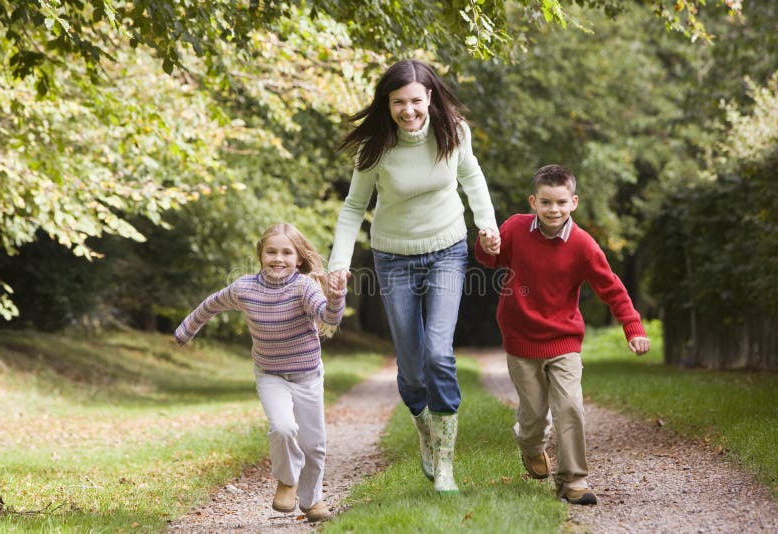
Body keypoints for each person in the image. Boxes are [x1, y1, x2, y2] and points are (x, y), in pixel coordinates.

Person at [328, 59, 500, 494]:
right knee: (410, 368)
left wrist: (487, 223)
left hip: (447, 249)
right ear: (387, 104)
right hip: (393, 256)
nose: (408, 111)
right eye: (398, 102)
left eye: (416, 101)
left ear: (430, 98)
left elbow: (471, 176)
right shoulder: (376, 148)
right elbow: (353, 208)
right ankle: (424, 426)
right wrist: (339, 262)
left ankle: (445, 465)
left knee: (439, 355)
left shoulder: (454, 132)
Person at [474, 164, 650, 505]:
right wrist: (486, 243)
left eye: (560, 202)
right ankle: (532, 447)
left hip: (563, 341)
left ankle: (574, 482)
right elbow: (490, 259)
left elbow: (611, 287)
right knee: (533, 416)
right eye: (546, 202)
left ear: (573, 202)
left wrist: (633, 327)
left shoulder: (583, 245)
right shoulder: (515, 228)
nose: (553, 210)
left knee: (570, 406)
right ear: (533, 202)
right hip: (521, 339)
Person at [174, 223, 347, 522]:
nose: (278, 258)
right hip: (270, 373)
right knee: (282, 427)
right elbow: (210, 305)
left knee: (314, 443)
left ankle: (312, 500)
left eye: (286, 252)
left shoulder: (304, 287)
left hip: (307, 374)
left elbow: (327, 316)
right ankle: (287, 480)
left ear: (299, 258)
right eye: (271, 252)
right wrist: (186, 330)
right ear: (260, 255)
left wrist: (335, 297)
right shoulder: (245, 288)